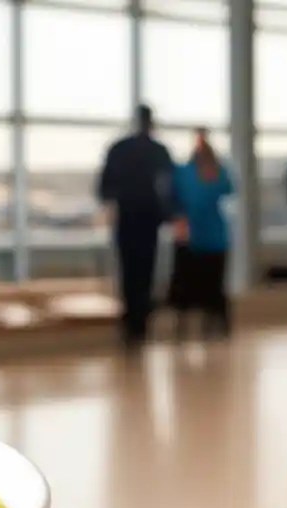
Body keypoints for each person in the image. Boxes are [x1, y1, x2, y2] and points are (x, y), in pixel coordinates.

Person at [98, 105, 177, 348]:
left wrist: (119, 198)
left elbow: (104, 188)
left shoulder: (119, 149)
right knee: (146, 271)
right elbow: (170, 187)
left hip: (127, 216)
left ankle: (131, 324)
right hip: (149, 218)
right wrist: (168, 214)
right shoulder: (159, 151)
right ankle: (141, 324)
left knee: (128, 271)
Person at [168, 128, 234, 339]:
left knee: (212, 286)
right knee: (188, 285)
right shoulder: (185, 172)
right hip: (192, 236)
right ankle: (189, 326)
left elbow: (227, 188)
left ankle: (214, 325)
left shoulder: (215, 171)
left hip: (210, 237)